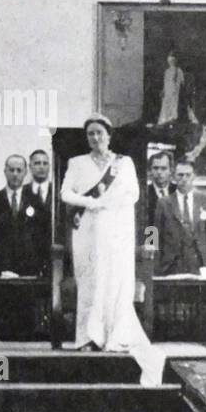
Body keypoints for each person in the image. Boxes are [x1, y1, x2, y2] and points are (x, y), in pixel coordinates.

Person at [61, 115, 162, 383]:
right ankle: (87, 337)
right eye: (91, 134)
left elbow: (133, 195)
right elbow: (65, 194)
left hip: (116, 230)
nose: (95, 138)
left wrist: (108, 202)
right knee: (90, 281)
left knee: (114, 280)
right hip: (88, 229)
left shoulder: (123, 163)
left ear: (109, 135)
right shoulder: (76, 163)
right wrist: (91, 203)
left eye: (100, 133)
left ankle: (114, 334)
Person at [0, 155, 44, 277]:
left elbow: (41, 236)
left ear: (25, 172)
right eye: (11, 170)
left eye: (19, 170)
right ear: (5, 172)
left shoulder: (37, 202)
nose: (15, 174)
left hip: (28, 269)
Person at [152, 158, 206, 275]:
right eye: (180, 175)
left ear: (194, 176)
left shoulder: (205, 200)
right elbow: (154, 233)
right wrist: (154, 264)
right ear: (173, 177)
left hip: (199, 262)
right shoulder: (164, 202)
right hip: (172, 263)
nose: (184, 179)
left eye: (188, 175)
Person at [147, 148, 176, 223]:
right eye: (156, 168)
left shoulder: (178, 191)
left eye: (164, 168)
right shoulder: (144, 193)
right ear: (150, 171)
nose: (159, 172)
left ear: (171, 171)